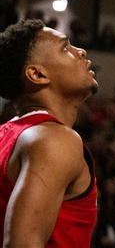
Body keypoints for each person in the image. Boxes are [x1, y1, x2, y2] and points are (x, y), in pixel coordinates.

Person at [0, 19, 100, 246]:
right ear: (37, 74)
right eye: (65, 48)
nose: (81, 51)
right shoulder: (54, 139)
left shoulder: (6, 137)